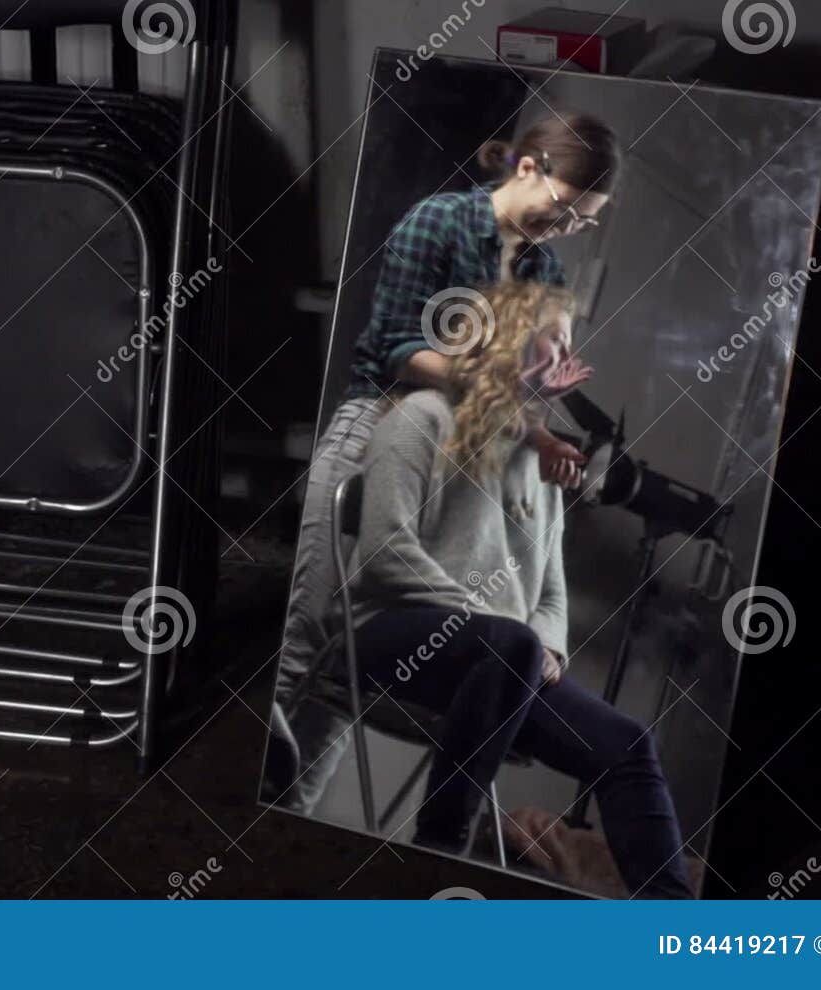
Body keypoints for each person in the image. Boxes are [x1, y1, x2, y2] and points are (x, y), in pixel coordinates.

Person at [266, 113, 620, 813]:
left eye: (586, 220)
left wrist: (542, 432)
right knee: (309, 631)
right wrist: (499, 384)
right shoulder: (442, 221)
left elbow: (516, 386)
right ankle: (257, 787)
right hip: (379, 420)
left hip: (460, 453)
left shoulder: (543, 268)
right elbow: (399, 349)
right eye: (567, 208)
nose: (569, 227)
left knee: (354, 664)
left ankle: (293, 818)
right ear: (527, 168)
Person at [346, 281, 693, 899]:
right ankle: (440, 853)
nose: (564, 359)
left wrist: (548, 647)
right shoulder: (420, 419)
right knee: (508, 645)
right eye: (553, 341)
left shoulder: (543, 464)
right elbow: (381, 553)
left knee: (627, 745)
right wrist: (493, 632)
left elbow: (551, 595)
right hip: (395, 636)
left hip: (506, 665)